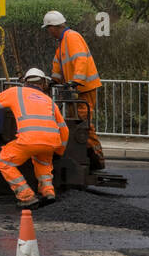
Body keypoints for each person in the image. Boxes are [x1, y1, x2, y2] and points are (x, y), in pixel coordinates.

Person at [0, 68, 69, 208]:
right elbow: (64, 129)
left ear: (25, 82)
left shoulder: (16, 92)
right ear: (43, 83)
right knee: (43, 165)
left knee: (3, 161)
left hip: (29, 140)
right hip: (51, 142)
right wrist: (60, 151)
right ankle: (48, 193)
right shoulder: (49, 101)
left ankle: (26, 196)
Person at [43, 10, 104, 169]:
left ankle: (97, 158)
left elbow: (80, 59)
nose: (48, 32)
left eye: (48, 29)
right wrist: (53, 80)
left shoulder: (72, 37)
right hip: (77, 89)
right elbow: (58, 63)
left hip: (84, 88)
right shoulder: (62, 43)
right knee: (75, 124)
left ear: (53, 27)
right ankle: (83, 155)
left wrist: (76, 81)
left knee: (83, 122)